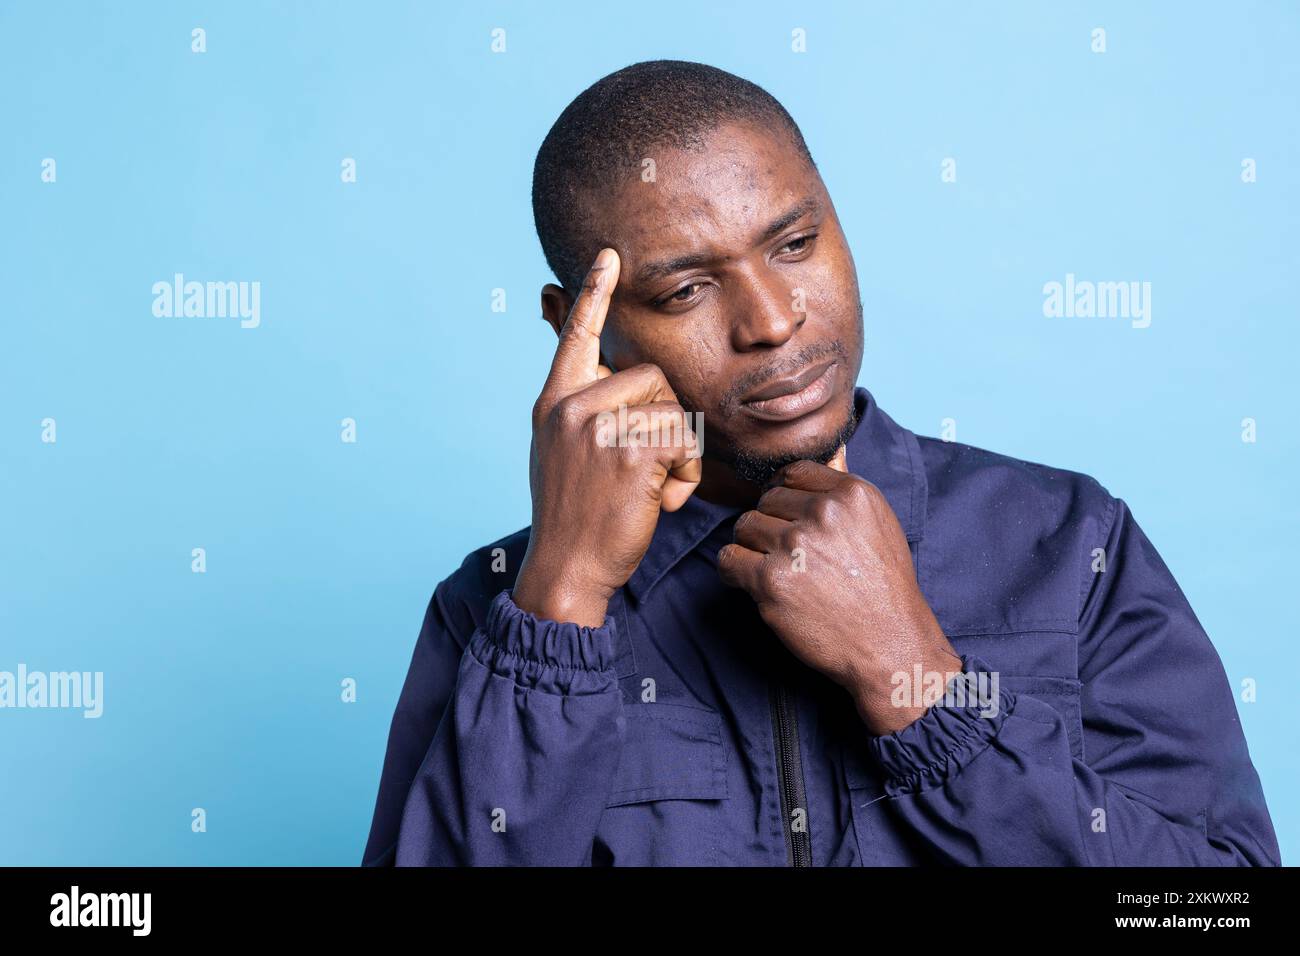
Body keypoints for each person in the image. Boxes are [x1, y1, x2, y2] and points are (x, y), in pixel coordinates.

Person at [362, 60, 1280, 866]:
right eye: (686, 289)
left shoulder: (1070, 542)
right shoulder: (493, 606)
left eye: (795, 244)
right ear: (579, 329)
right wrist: (559, 607)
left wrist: (920, 686)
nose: (771, 320)